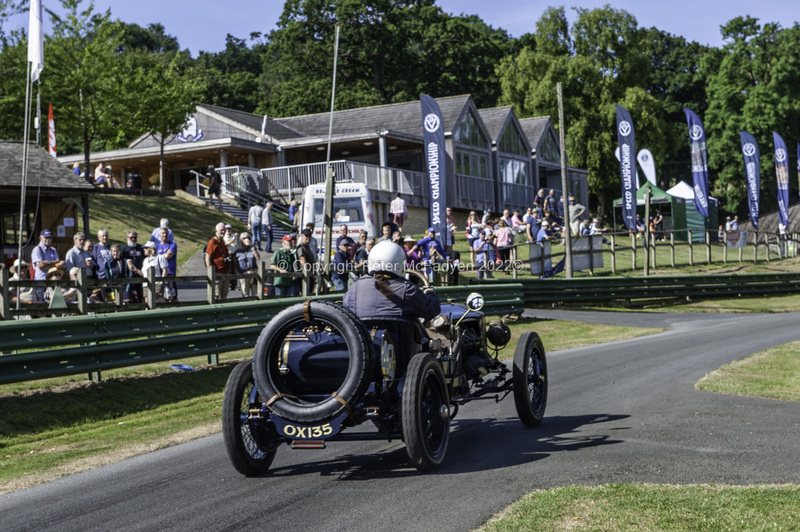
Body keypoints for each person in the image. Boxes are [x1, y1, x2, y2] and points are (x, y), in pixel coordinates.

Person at [343, 241, 441, 374]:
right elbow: (432, 310)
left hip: (362, 362)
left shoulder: (355, 287)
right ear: (400, 264)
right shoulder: (406, 289)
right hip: (404, 362)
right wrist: (430, 292)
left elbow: (346, 311)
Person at [206, 222, 231, 300]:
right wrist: (211, 272)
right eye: (221, 230)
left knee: (224, 294)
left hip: (225, 272)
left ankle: (223, 311)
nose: (223, 232)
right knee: (216, 295)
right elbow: (207, 258)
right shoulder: (212, 242)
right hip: (217, 272)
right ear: (216, 231)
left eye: (224, 230)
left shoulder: (222, 241)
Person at [233, 232, 260, 298]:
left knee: (255, 294)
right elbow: (234, 265)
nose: (247, 239)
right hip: (244, 274)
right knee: (245, 295)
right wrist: (238, 275)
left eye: (248, 238)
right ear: (241, 240)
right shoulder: (237, 251)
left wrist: (253, 248)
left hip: (253, 272)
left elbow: (257, 257)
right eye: (244, 238)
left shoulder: (252, 249)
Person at [122, 230, 145, 304]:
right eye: (131, 238)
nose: (133, 239)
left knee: (141, 297)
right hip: (129, 278)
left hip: (140, 276)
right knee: (131, 299)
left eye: (135, 237)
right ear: (127, 238)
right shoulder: (124, 249)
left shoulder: (140, 248)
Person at [156, 227, 178, 302]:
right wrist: (164, 255)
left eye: (166, 233)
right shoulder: (157, 246)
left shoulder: (172, 245)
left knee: (172, 296)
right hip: (160, 273)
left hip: (170, 272)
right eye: (163, 233)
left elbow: (169, 256)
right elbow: (156, 259)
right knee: (162, 296)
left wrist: (160, 256)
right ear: (159, 235)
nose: (164, 235)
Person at [296, 228, 317, 293]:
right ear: (302, 236)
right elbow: (302, 260)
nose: (308, 237)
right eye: (306, 236)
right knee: (305, 294)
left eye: (309, 236)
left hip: (310, 275)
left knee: (310, 293)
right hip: (305, 276)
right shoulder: (301, 247)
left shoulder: (308, 247)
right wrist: (307, 271)